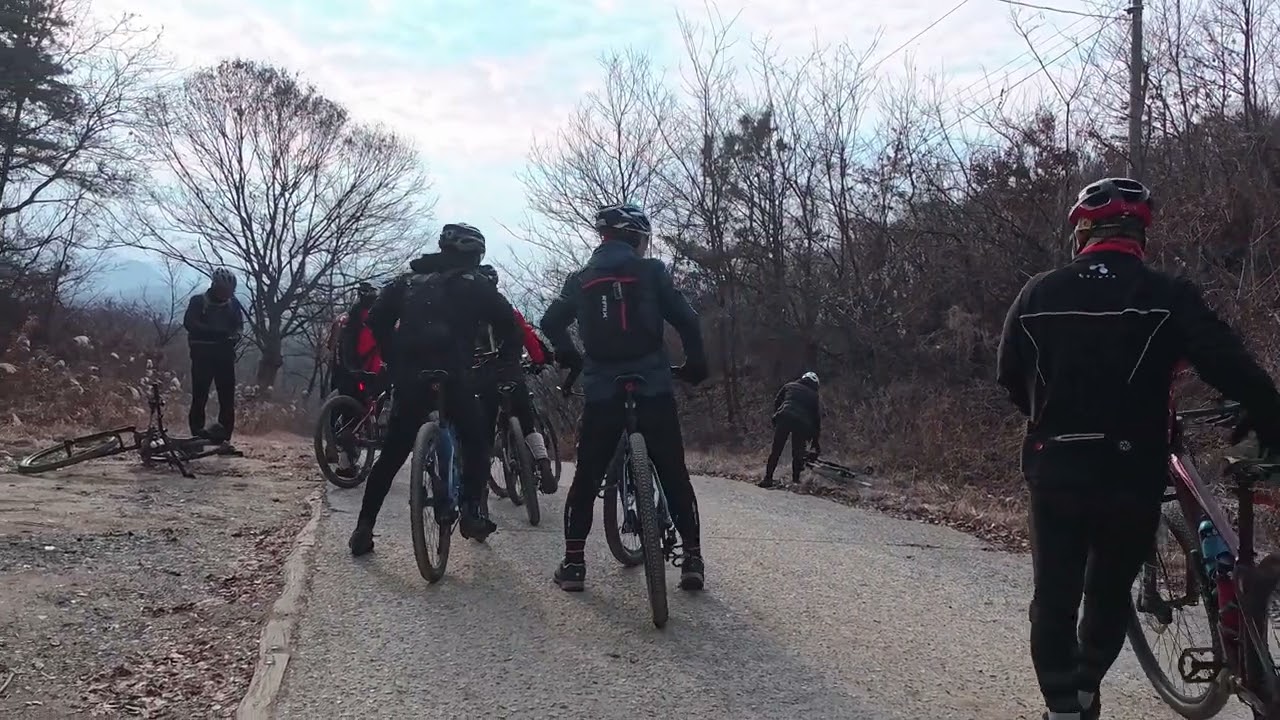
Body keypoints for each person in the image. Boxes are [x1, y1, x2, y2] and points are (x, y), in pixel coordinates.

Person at [996, 177, 1280, 720]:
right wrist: (1265, 411)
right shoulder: (1167, 294)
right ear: (1139, 236)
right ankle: (1083, 689)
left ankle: (1063, 709)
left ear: (1082, 232)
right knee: (1107, 594)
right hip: (1131, 469)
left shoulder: (1036, 294)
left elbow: (1011, 377)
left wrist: (1051, 417)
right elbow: (1229, 362)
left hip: (1057, 468)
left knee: (1053, 601)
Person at [541, 202, 709, 593]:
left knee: (586, 478)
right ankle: (693, 559)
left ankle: (574, 564)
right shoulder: (651, 272)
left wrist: (571, 356)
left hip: (602, 390)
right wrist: (695, 365)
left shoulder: (581, 278)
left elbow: (551, 322)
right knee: (673, 472)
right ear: (637, 238)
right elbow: (687, 319)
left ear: (604, 238)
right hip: (652, 385)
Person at [348, 223, 517, 556]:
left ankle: (363, 529)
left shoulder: (405, 282)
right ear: (473, 255)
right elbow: (508, 325)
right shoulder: (477, 284)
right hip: (455, 375)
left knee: (393, 454)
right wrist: (506, 366)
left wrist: (394, 356)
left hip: (411, 377)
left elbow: (377, 320)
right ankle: (471, 511)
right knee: (476, 443)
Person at [474, 264, 557, 493]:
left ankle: (479, 479)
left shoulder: (470, 314)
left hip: (483, 375)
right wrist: (540, 358)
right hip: (511, 372)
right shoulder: (508, 310)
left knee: (485, 427)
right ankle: (542, 462)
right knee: (527, 421)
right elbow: (528, 337)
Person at [328, 282, 385, 475]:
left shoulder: (345, 319)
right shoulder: (375, 320)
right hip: (366, 373)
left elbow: (331, 347)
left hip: (343, 372)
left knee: (347, 414)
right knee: (361, 415)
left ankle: (335, 448)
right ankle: (347, 463)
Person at [183, 267, 244, 445]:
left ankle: (224, 437)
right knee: (200, 395)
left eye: (230, 291)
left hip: (224, 355)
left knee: (227, 397)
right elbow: (190, 323)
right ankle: (196, 435)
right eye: (224, 291)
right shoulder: (198, 301)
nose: (227, 294)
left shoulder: (233, 304)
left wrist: (235, 336)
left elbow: (239, 326)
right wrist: (216, 333)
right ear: (214, 286)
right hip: (202, 354)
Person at [759, 371, 821, 488]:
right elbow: (816, 419)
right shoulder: (814, 395)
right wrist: (815, 440)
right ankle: (796, 481)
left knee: (776, 450)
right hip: (802, 423)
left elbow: (777, 401)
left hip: (784, 417)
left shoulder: (789, 385)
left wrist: (777, 415)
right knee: (798, 452)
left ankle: (767, 478)